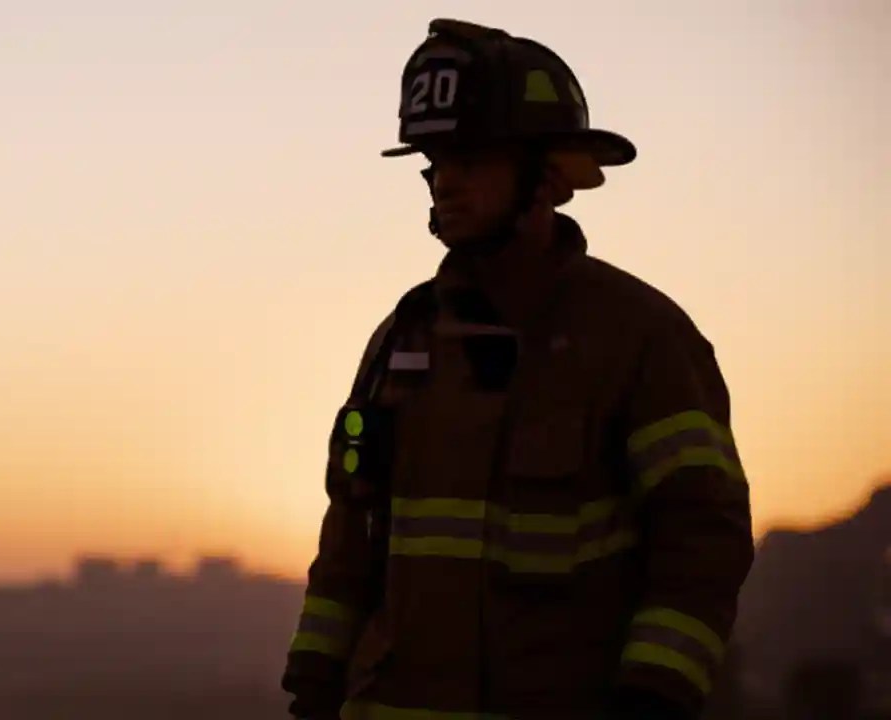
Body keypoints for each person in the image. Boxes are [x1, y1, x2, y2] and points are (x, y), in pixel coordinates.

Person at [280, 18, 754, 720]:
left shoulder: (641, 340)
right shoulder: (401, 342)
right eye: (435, 163)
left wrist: (655, 694)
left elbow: (702, 540)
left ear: (547, 177)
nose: (445, 183)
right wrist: (313, 683)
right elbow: (350, 535)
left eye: (470, 161)